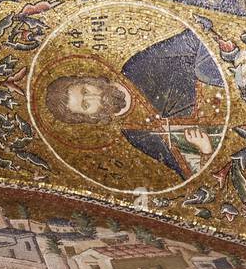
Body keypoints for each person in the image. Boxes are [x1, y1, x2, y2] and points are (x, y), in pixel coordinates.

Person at [43, 28, 226, 183]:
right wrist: (205, 150)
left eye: (84, 90)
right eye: (85, 105)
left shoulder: (136, 67)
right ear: (89, 117)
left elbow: (195, 38)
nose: (93, 97)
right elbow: (190, 173)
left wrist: (208, 77)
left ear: (88, 79)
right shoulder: (135, 134)